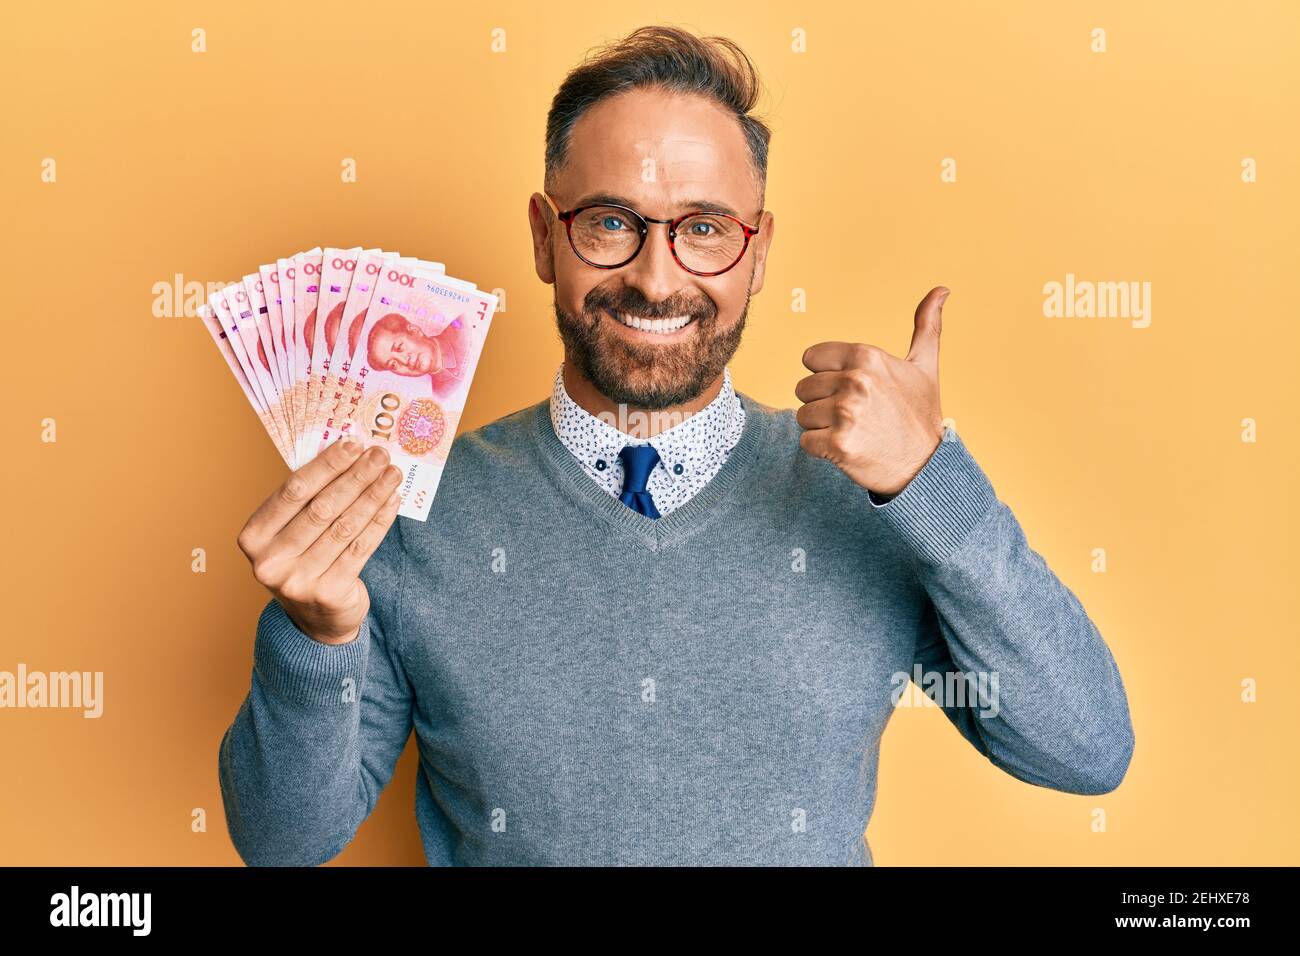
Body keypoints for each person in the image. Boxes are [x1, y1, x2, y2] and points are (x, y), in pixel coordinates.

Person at [219, 25, 1134, 866]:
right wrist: (314, 637)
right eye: (611, 223)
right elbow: (283, 844)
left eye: (703, 229)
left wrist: (936, 484)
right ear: (545, 237)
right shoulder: (412, 505)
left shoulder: (877, 499)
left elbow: (1085, 749)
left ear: (759, 252)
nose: (657, 281)